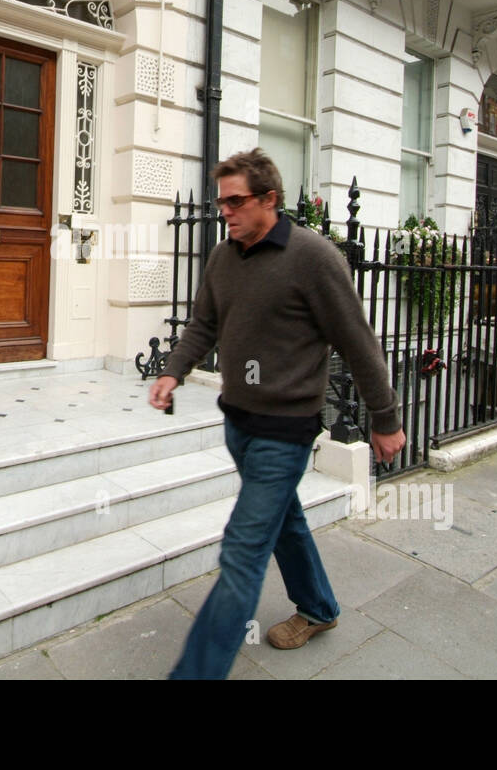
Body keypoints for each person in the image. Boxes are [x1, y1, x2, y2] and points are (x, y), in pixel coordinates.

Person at [149, 149, 406, 680]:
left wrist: (385, 419)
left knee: (241, 554)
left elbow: (358, 342)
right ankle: (319, 608)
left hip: (285, 434)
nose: (226, 211)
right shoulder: (223, 257)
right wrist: (174, 370)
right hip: (238, 424)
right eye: (221, 202)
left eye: (236, 200)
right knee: (283, 520)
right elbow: (204, 324)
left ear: (270, 199)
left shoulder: (313, 257)